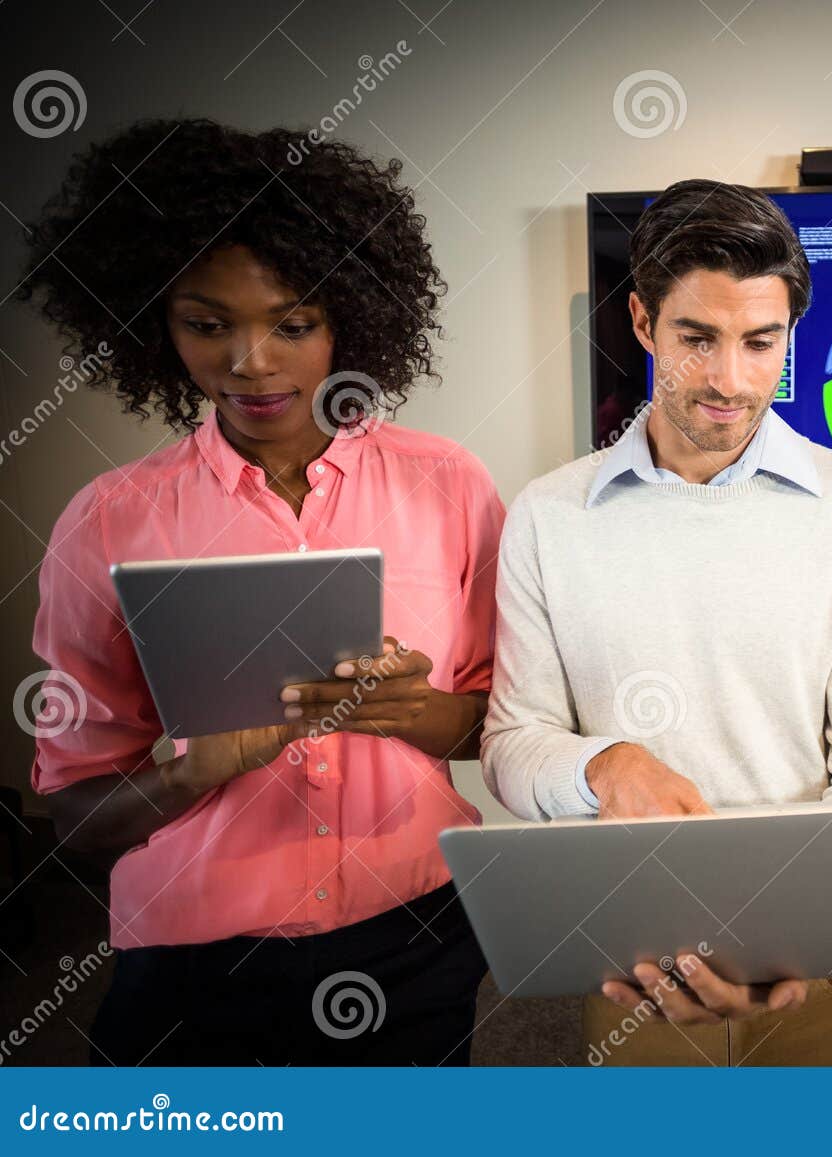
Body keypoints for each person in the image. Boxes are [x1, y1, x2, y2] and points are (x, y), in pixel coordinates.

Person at [20, 119, 504, 1065]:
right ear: (153, 324)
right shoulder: (109, 519)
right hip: (195, 963)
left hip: (414, 933)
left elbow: (502, 725)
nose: (250, 360)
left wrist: (414, 712)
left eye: (294, 323)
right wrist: (188, 772)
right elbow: (75, 816)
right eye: (208, 324)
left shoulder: (449, 484)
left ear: (349, 318)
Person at [480, 178, 832, 1066]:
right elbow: (510, 745)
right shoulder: (547, 515)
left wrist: (790, 941)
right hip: (632, 976)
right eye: (697, 339)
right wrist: (605, 766)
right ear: (643, 323)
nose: (729, 379)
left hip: (813, 975)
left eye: (761, 342)